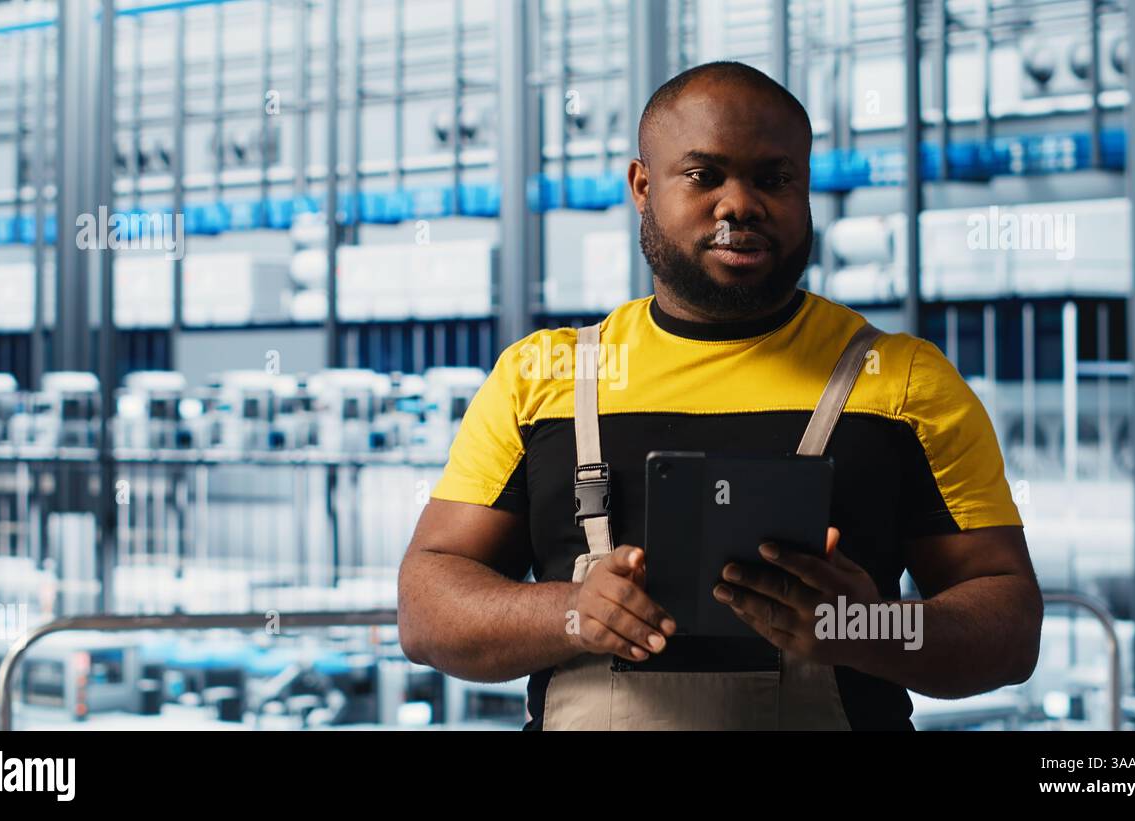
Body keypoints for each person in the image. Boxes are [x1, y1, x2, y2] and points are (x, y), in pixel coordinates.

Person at [398, 60, 1042, 730]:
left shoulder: (905, 381)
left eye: (774, 178)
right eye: (705, 175)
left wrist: (866, 626)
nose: (740, 204)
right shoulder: (541, 379)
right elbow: (425, 609)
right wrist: (570, 611)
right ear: (642, 186)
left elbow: (1012, 627)